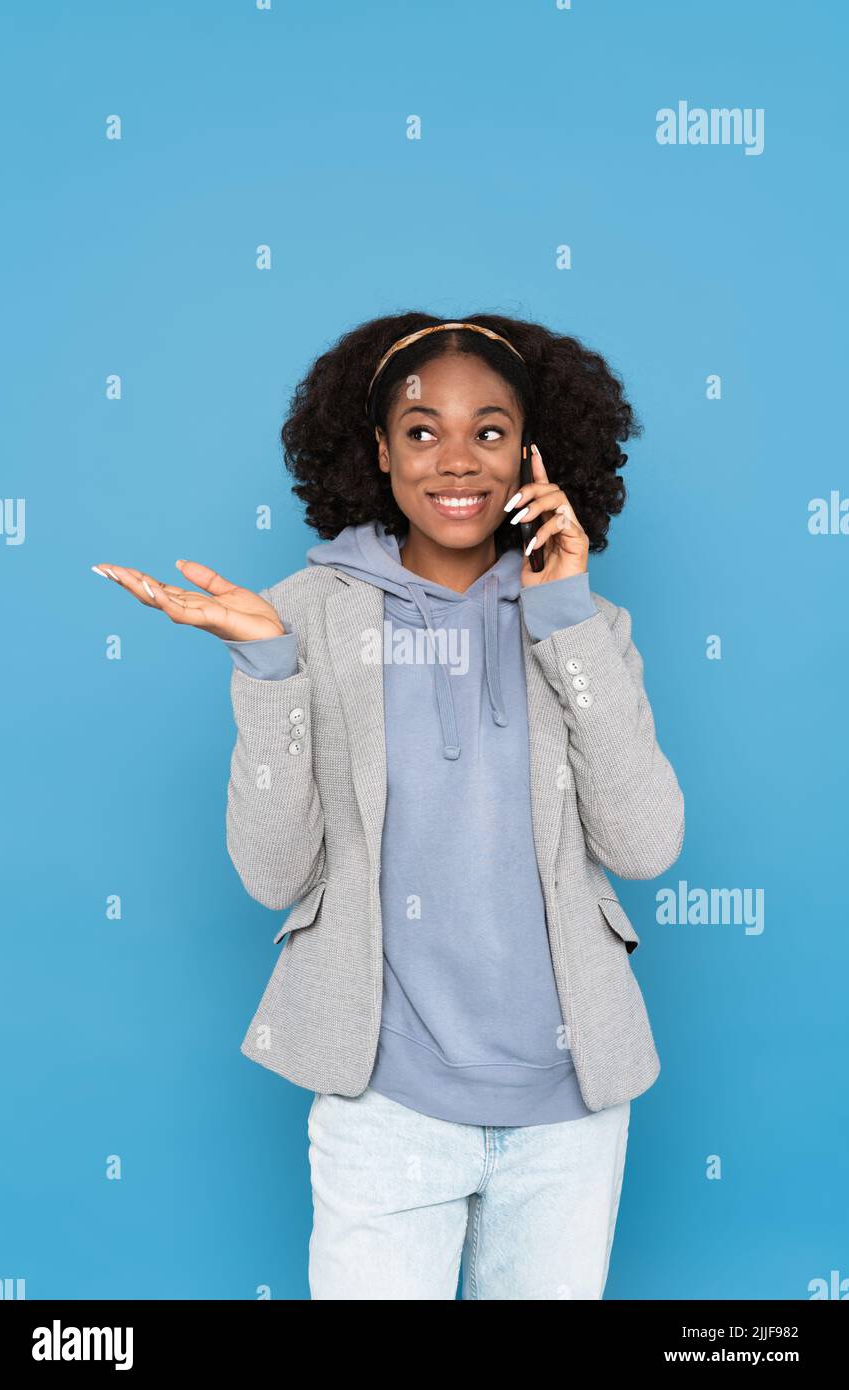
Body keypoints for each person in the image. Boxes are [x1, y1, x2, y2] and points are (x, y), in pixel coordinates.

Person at [91, 312, 684, 1300]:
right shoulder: (303, 613)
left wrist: (568, 621)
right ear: (376, 448)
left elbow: (647, 844)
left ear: (534, 449)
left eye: (490, 431)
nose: (457, 460)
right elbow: (273, 874)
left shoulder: (586, 618)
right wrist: (269, 670)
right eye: (421, 430)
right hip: (386, 1110)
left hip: (570, 1115)